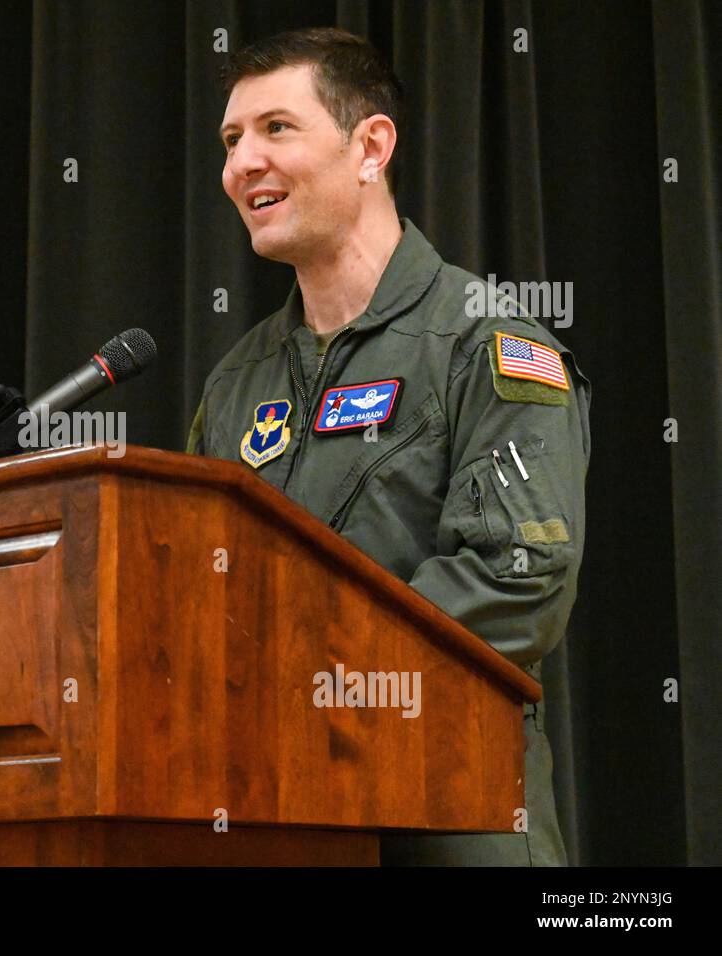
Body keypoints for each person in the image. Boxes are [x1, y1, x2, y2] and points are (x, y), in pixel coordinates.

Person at [188, 28, 591, 865]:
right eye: (231, 141)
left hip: (447, 809)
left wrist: (308, 680)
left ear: (370, 146)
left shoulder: (489, 345)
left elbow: (517, 579)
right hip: (275, 821)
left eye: (275, 129)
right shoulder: (235, 383)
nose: (240, 164)